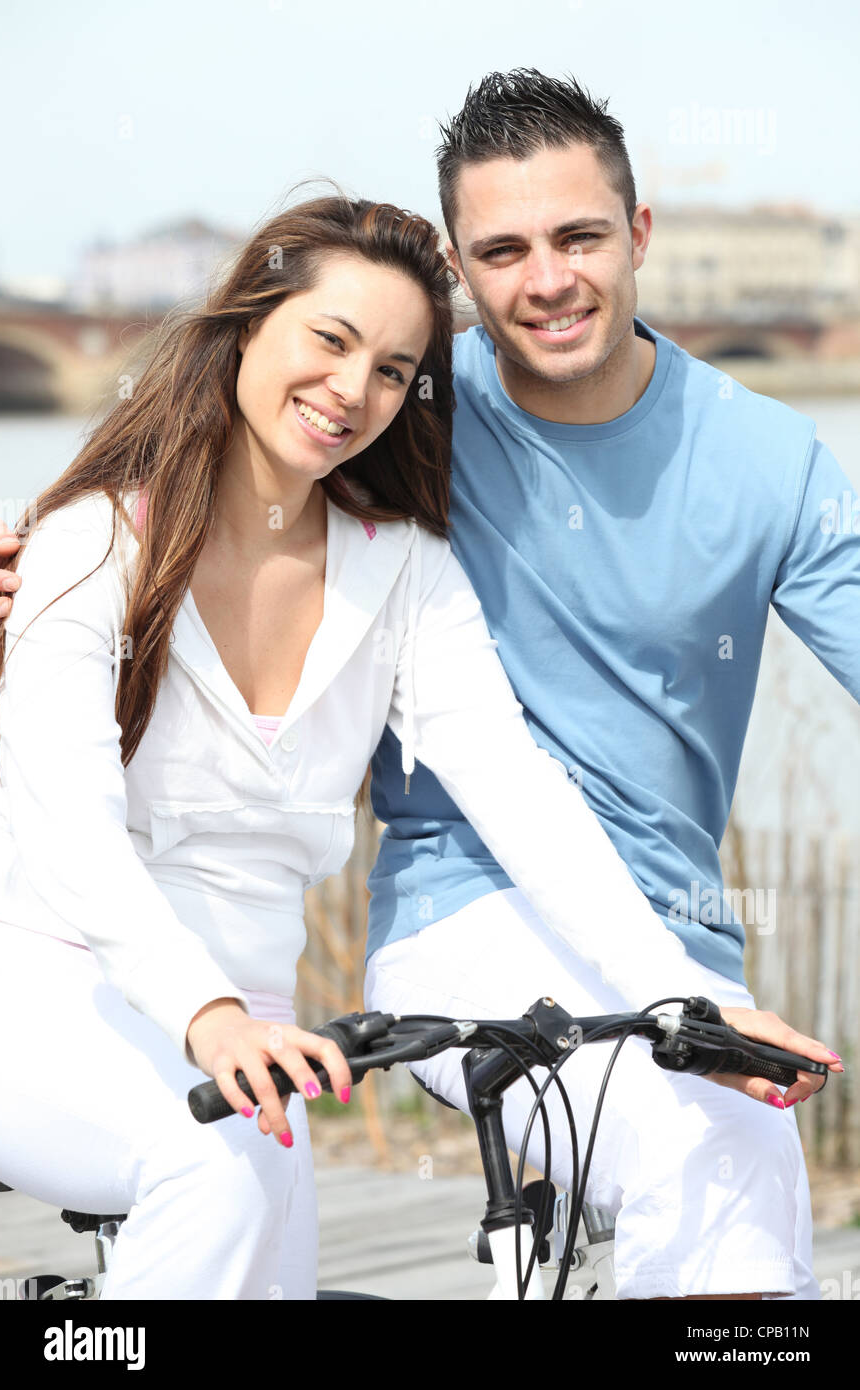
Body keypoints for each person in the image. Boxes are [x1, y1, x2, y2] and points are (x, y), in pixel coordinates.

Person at [0, 189, 827, 1303]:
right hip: (58, 995)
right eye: (328, 341)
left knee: (245, 1181)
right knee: (217, 1167)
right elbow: (66, 813)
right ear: (248, 325)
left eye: (393, 369)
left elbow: (515, 792)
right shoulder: (92, 535)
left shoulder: (400, 568)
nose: (352, 390)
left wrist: (684, 996)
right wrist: (202, 1009)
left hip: (261, 1042)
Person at [358, 70, 856, 1301]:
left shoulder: (762, 451)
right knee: (721, 1145)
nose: (546, 279)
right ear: (460, 273)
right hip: (458, 912)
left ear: (637, 234)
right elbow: (219, 450)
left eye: (577, 235)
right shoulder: (407, 415)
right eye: (503, 249)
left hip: (675, 937)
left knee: (744, 1185)